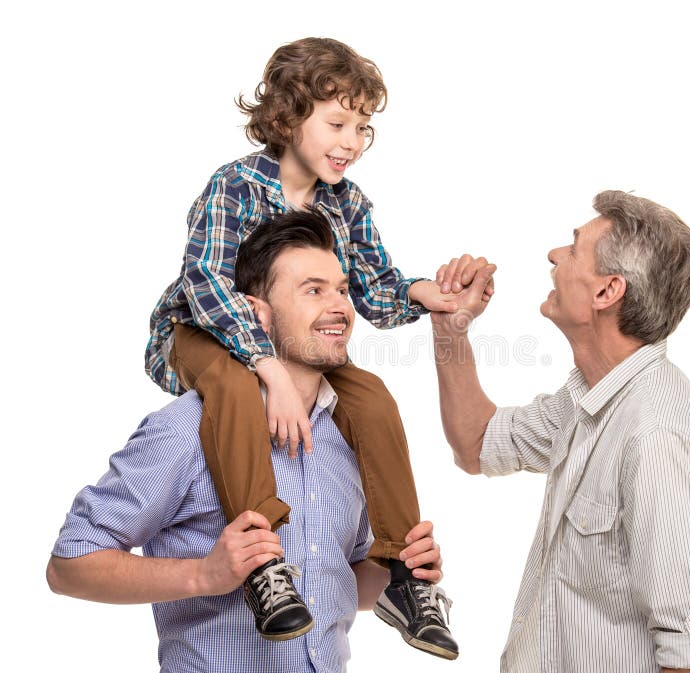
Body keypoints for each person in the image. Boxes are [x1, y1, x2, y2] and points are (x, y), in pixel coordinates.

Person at [144, 37, 484, 655]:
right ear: (285, 118)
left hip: (290, 347)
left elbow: (378, 292)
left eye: (362, 127)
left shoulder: (346, 203)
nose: (351, 141)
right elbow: (205, 283)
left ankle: (403, 571)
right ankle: (264, 563)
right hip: (199, 331)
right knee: (232, 386)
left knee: (372, 397)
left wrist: (432, 293)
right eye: (337, 122)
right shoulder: (236, 186)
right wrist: (269, 370)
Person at [47, 210, 456, 672]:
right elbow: (69, 565)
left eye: (342, 289)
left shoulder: (350, 435)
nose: (340, 307)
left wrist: (394, 574)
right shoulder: (186, 431)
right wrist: (203, 574)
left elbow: (340, 579)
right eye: (313, 290)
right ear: (254, 311)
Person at [431, 191, 690, 673]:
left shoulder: (654, 437)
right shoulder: (591, 401)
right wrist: (452, 327)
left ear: (606, 292)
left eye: (573, 249)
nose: (554, 256)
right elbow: (477, 443)